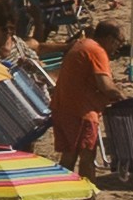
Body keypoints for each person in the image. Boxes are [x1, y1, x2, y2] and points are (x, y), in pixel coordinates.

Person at [45, 28, 119, 179]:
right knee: (87, 157)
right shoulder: (97, 51)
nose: (117, 48)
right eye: (118, 43)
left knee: (68, 157)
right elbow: (105, 85)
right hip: (81, 111)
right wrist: (122, 97)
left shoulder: (82, 45)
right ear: (110, 39)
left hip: (62, 107)